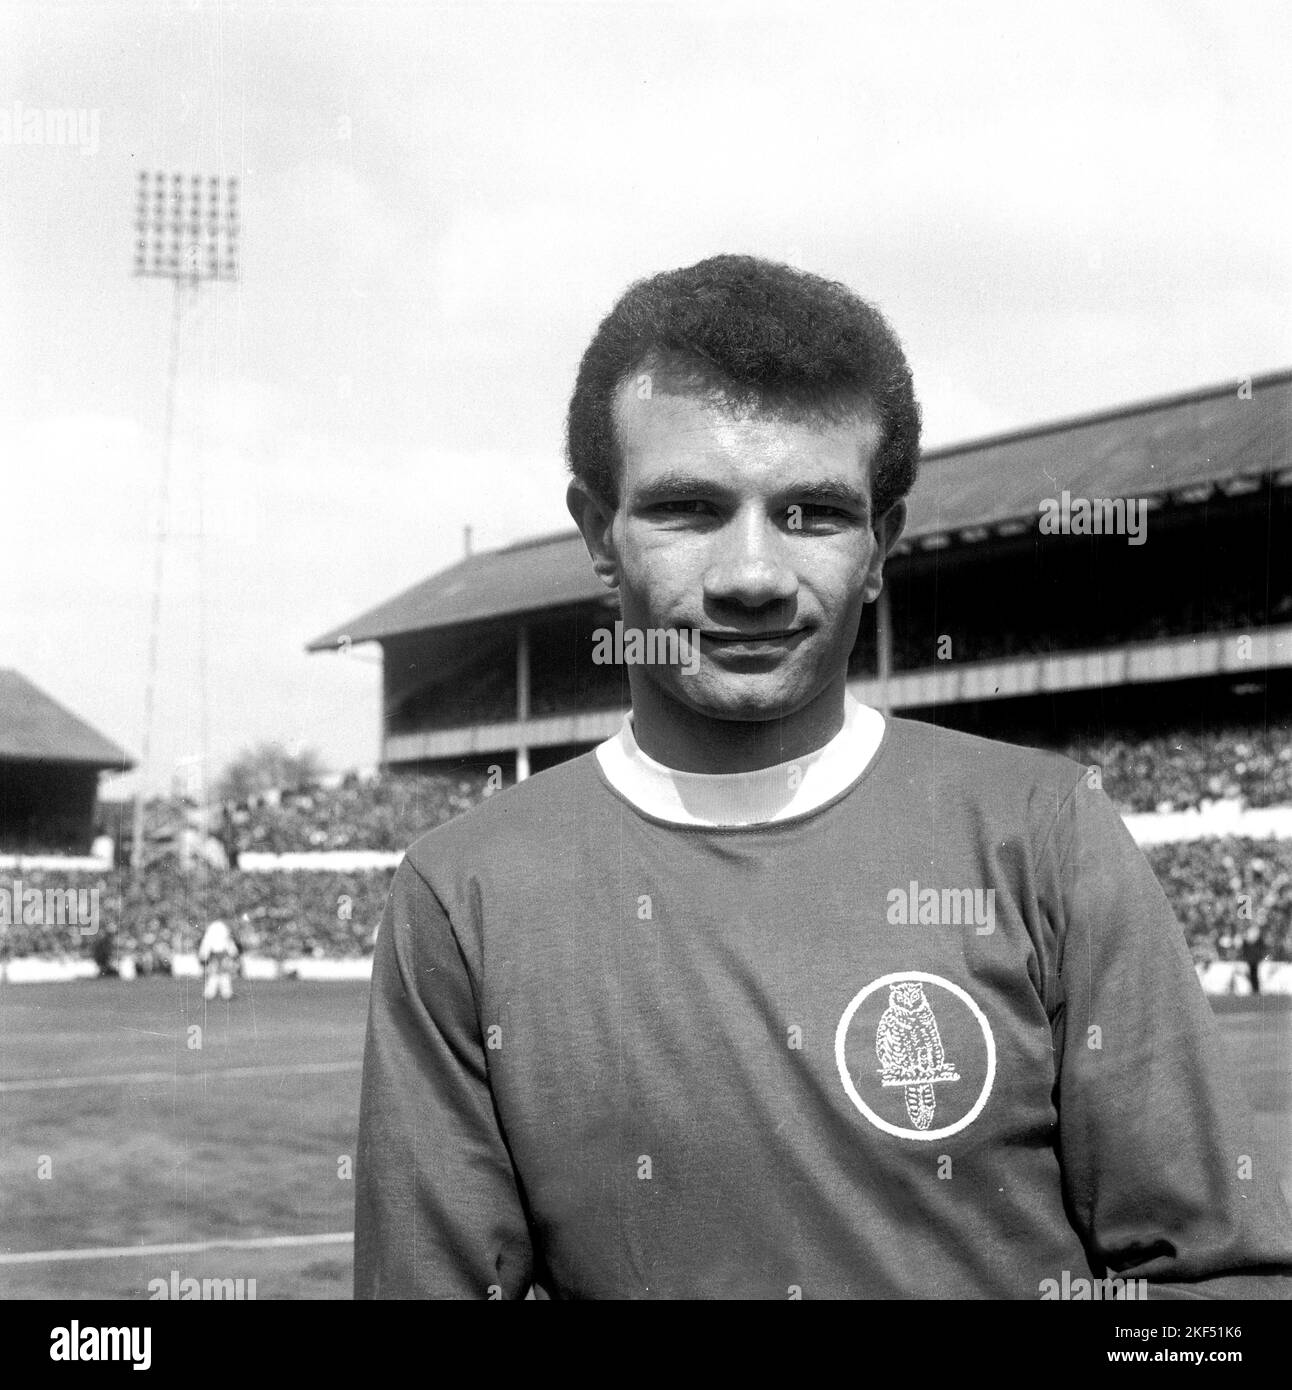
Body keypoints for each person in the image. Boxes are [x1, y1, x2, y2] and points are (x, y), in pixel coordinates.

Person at [355, 254, 1292, 1299]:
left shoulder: (1044, 834)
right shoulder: (462, 892)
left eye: (811, 512)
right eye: (688, 509)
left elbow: (1217, 1287)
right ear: (598, 535)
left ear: (881, 543)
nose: (752, 575)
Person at [197, 917, 239, 1001]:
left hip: (214, 954)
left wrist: (203, 955)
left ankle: (211, 993)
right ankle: (224, 993)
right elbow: (228, 943)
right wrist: (233, 953)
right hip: (220, 954)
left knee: (216, 974)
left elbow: (206, 943)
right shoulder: (222, 928)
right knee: (222, 974)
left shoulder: (211, 930)